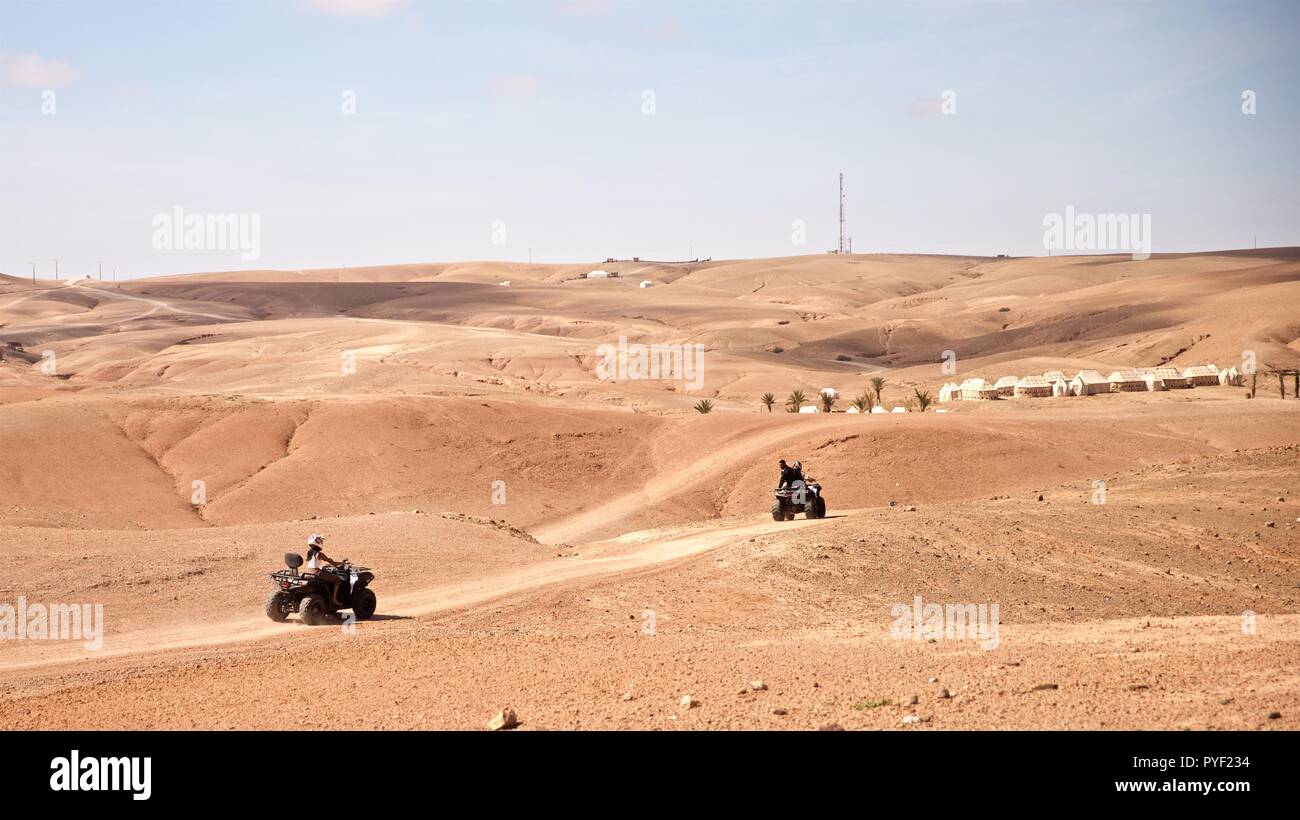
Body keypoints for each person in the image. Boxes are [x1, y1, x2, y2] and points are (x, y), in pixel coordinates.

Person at [304, 534, 343, 606]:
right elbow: (333, 563)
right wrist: (342, 563)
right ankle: (334, 599)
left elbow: (314, 563)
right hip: (316, 572)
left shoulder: (310, 552)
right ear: (318, 542)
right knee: (337, 579)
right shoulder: (320, 554)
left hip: (309, 572)